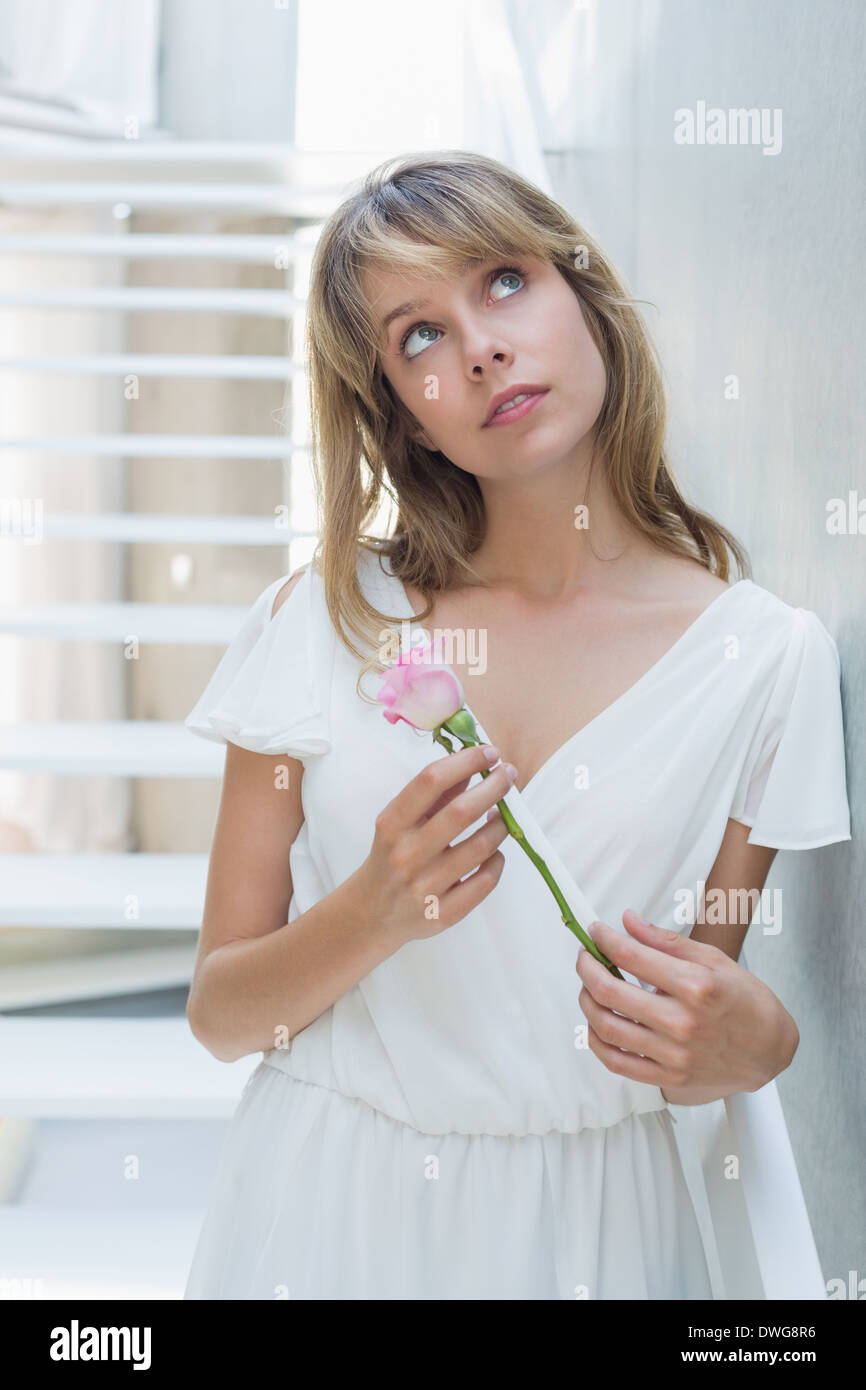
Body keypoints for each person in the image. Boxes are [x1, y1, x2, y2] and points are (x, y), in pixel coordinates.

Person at [181, 151, 851, 1300]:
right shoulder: (320, 622)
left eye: (501, 281)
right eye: (418, 337)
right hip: (332, 1212)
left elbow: (680, 1029)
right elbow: (221, 1014)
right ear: (406, 419)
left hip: (608, 1233)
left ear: (583, 300)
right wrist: (371, 912)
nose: (480, 346)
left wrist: (763, 1042)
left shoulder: (761, 660)